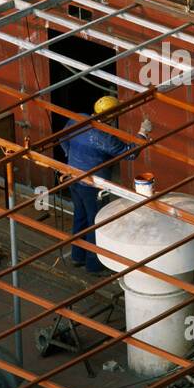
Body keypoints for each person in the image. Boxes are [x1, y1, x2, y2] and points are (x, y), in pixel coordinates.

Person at [60, 95, 152, 274]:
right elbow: (130, 154)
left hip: (73, 177)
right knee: (96, 222)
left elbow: (63, 139)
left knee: (80, 216)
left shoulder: (77, 119)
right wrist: (143, 133)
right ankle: (94, 265)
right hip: (93, 185)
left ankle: (77, 256)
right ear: (111, 116)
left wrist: (71, 159)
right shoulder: (103, 137)